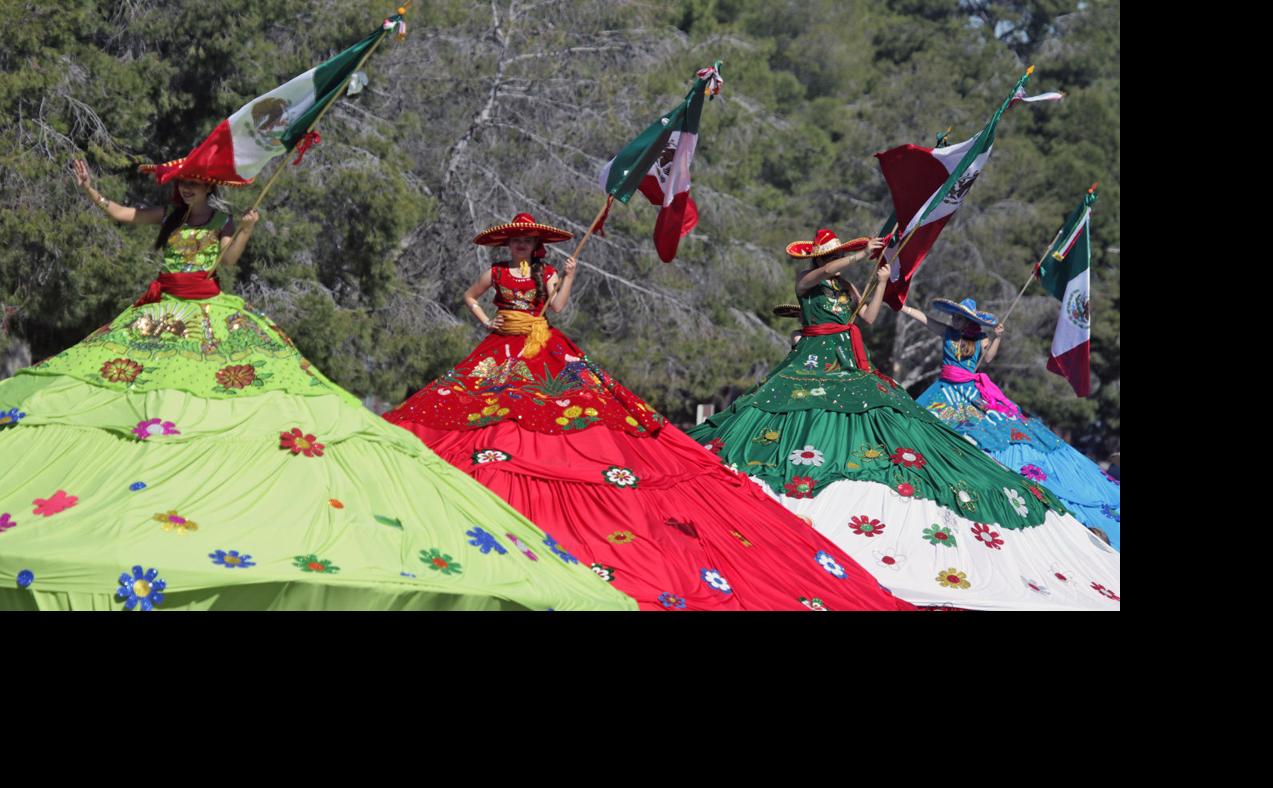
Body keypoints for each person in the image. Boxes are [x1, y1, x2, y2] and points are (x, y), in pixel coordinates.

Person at [0, 162, 632, 611]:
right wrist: (88, 190)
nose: (187, 190)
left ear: (209, 188)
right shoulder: (166, 219)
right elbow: (119, 212)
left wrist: (244, 226)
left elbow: (228, 265)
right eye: (184, 183)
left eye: (194, 183)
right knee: (147, 398)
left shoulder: (218, 219)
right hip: (162, 312)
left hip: (532, 341)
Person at [384, 214, 912, 611]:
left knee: (561, 407)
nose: (520, 247)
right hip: (505, 343)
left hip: (545, 339)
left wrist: (567, 277)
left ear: (536, 245)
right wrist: (490, 322)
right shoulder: (497, 272)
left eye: (526, 242)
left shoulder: (542, 274)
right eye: (516, 241)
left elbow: (560, 308)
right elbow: (468, 296)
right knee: (491, 407)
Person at [686, 229, 1121, 610]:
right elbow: (814, 277)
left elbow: (871, 318)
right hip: (814, 360)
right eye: (829, 256)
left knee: (870, 418)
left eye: (835, 257)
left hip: (849, 357)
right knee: (793, 415)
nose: (830, 263)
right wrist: (859, 255)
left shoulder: (847, 289)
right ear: (818, 258)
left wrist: (876, 283)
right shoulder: (809, 283)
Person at [903, 297, 1122, 548]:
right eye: (953, 316)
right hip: (944, 390)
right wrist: (903, 307)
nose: (953, 319)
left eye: (958, 316)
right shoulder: (949, 333)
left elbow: (987, 360)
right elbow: (926, 320)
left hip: (970, 391)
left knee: (989, 428)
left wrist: (996, 337)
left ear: (968, 320)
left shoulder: (980, 339)